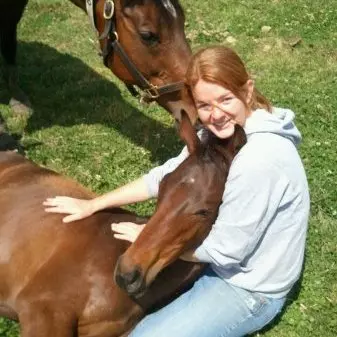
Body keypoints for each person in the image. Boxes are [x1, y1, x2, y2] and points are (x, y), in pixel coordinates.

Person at [43, 46, 310, 337]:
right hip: (218, 261)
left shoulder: (259, 159)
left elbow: (226, 250)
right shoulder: (219, 133)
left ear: (247, 91)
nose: (216, 114)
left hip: (248, 287)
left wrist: (147, 238)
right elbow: (165, 176)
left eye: (225, 99)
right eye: (205, 105)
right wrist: (94, 204)